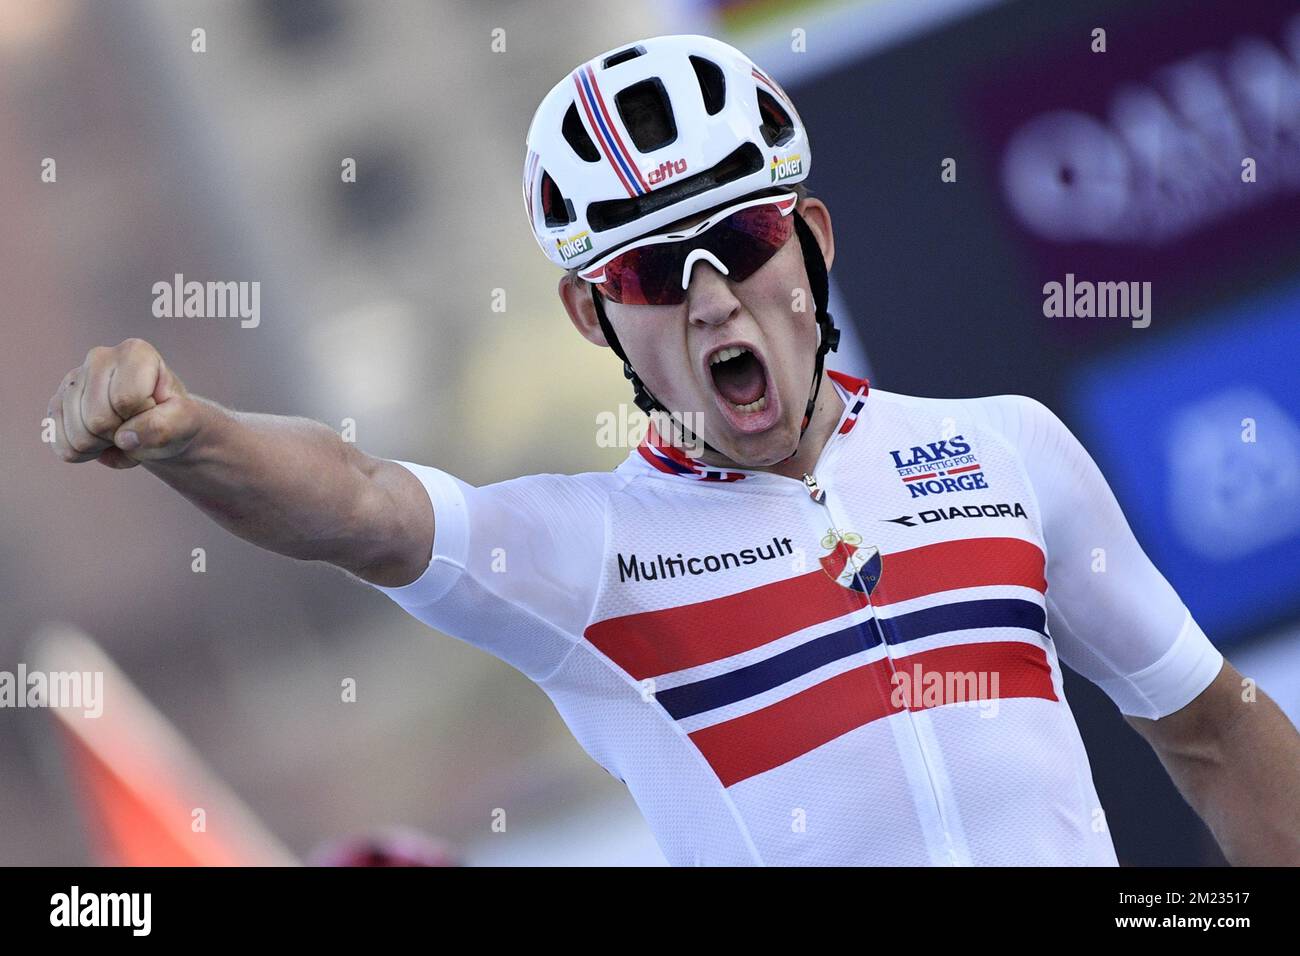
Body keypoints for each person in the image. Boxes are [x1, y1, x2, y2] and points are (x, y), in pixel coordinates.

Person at [47, 34, 1299, 866]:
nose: (710, 302)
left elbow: (1219, 729)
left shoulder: (1005, 450)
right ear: (594, 316)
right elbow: (366, 503)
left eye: (741, 242)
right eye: (653, 272)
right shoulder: (592, 555)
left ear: (808, 237)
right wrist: (191, 434)